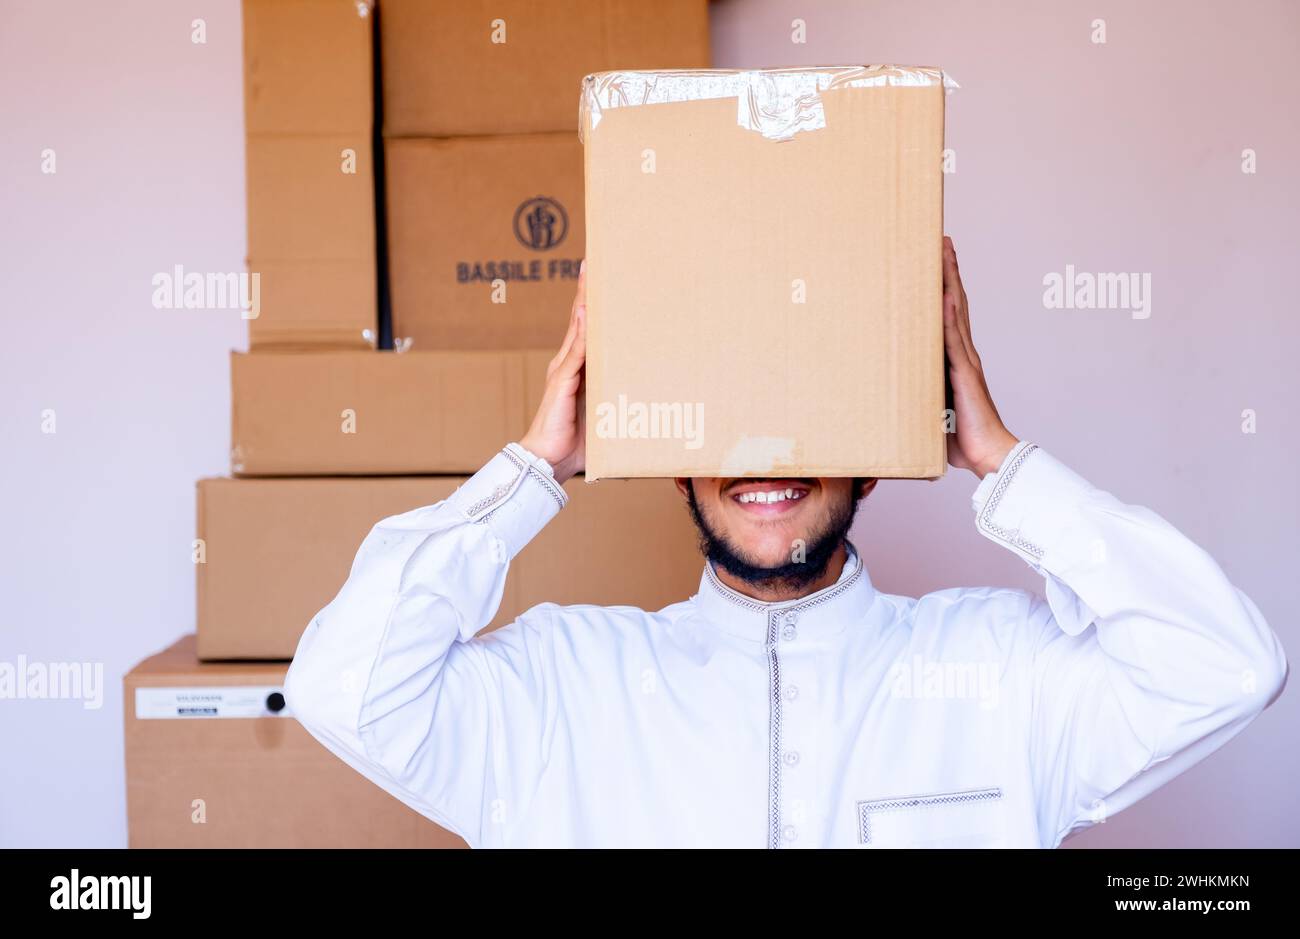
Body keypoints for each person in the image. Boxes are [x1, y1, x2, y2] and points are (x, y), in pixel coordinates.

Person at [284, 239, 1287, 848]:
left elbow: (1226, 665)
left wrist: (999, 460)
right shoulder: (559, 687)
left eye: (809, 416)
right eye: (726, 422)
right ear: (671, 457)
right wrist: (533, 468)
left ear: (878, 450)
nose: (768, 455)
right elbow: (344, 688)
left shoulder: (996, 672)